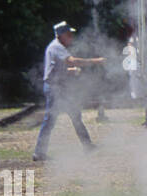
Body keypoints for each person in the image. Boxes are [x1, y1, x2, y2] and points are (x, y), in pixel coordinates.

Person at [33, 22, 104, 162]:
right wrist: (96, 61)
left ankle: (87, 145)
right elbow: (72, 61)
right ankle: (39, 153)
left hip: (60, 87)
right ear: (60, 35)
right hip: (55, 88)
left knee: (75, 116)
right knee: (50, 121)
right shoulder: (56, 47)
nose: (71, 37)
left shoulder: (58, 47)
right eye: (69, 34)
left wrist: (70, 71)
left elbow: (58, 68)